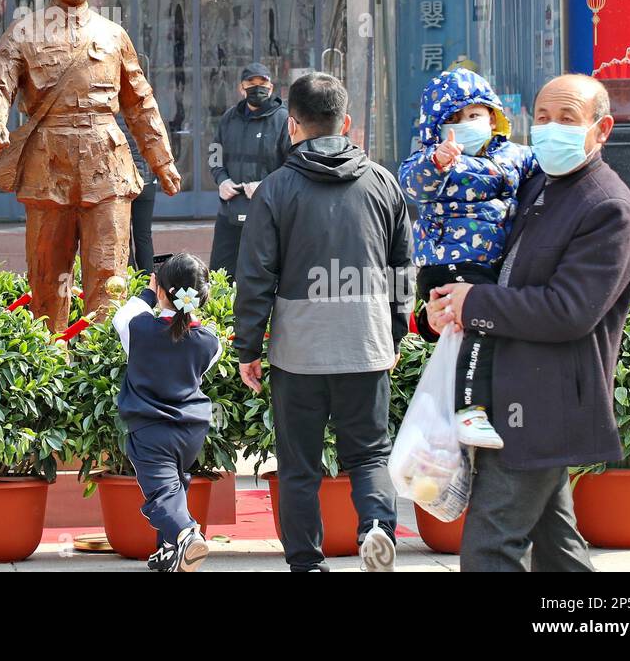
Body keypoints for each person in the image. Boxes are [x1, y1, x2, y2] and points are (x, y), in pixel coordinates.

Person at [427, 74, 630, 573]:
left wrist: (475, 302)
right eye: (542, 118)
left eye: (568, 119)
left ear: (602, 129)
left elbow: (568, 311)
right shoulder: (542, 181)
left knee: (489, 549)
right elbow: (504, 269)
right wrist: (453, 301)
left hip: (545, 405)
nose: (550, 130)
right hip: (518, 391)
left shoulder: (607, 206)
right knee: (557, 547)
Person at [234, 72, 412, 573]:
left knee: (298, 469)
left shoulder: (275, 189)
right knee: (370, 455)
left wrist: (249, 346)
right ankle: (376, 525)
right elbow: (404, 267)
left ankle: (307, 564)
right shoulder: (382, 183)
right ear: (347, 123)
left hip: (299, 349)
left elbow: (256, 276)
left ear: (292, 126)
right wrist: (394, 331)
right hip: (366, 341)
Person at [0, 0, 180, 333]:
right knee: (47, 273)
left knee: (109, 272)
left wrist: (162, 160)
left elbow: (140, 102)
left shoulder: (113, 35)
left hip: (107, 162)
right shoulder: (24, 33)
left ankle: (101, 358)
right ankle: (52, 362)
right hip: (47, 164)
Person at [398, 69, 537, 450]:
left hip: (490, 265)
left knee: (480, 329)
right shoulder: (430, 161)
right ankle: (468, 410)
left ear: (493, 117)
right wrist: (439, 161)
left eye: (473, 116)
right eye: (453, 121)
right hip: (447, 262)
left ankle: (478, 411)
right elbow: (411, 181)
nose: (465, 127)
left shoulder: (516, 155)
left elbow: (547, 172)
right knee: (481, 323)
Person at [112, 252, 221, 573]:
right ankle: (169, 551)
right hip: (191, 430)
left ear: (160, 289)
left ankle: (186, 534)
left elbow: (131, 310)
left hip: (150, 429)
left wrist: (150, 290)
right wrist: (164, 292)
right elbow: (181, 325)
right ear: (202, 296)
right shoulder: (210, 341)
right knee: (174, 486)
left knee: (161, 494)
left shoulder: (136, 326)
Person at [207, 62, 289, 281]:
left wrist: (265, 186)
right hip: (230, 210)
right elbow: (215, 155)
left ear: (271, 87)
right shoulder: (228, 118)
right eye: (251, 83)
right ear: (241, 88)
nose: (257, 87)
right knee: (220, 275)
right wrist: (222, 180)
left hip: (268, 210)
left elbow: (293, 165)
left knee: (263, 272)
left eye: (262, 83)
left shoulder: (283, 120)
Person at [120, 117, 158, 277]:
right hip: (147, 181)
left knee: (123, 235)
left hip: (123, 183)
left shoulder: (112, 115)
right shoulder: (143, 113)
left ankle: (128, 281)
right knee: (144, 235)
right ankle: (149, 280)